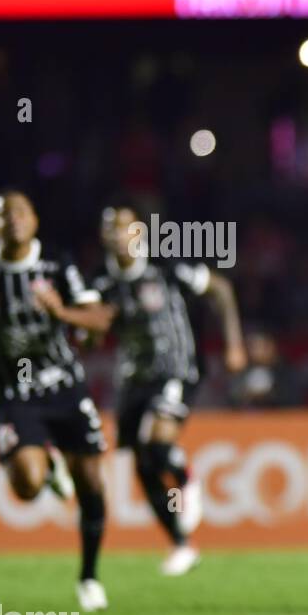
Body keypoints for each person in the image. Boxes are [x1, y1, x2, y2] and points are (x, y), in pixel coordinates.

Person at [90, 205, 246, 576]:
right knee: (143, 464)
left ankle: (188, 481)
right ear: (103, 237)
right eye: (112, 229)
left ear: (140, 233)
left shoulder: (165, 267)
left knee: (158, 442)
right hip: (132, 379)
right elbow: (92, 336)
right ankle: (181, 543)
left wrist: (234, 343)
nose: (119, 236)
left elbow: (220, 288)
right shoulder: (100, 283)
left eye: (126, 228)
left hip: (176, 368)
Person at [0, 190, 113, 609]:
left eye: (20, 212)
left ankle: (89, 577)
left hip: (64, 386)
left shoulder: (58, 264)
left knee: (90, 483)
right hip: (14, 394)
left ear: (34, 218)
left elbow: (100, 320)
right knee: (26, 485)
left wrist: (62, 313)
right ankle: (50, 465)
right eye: (3, 215)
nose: (12, 220)